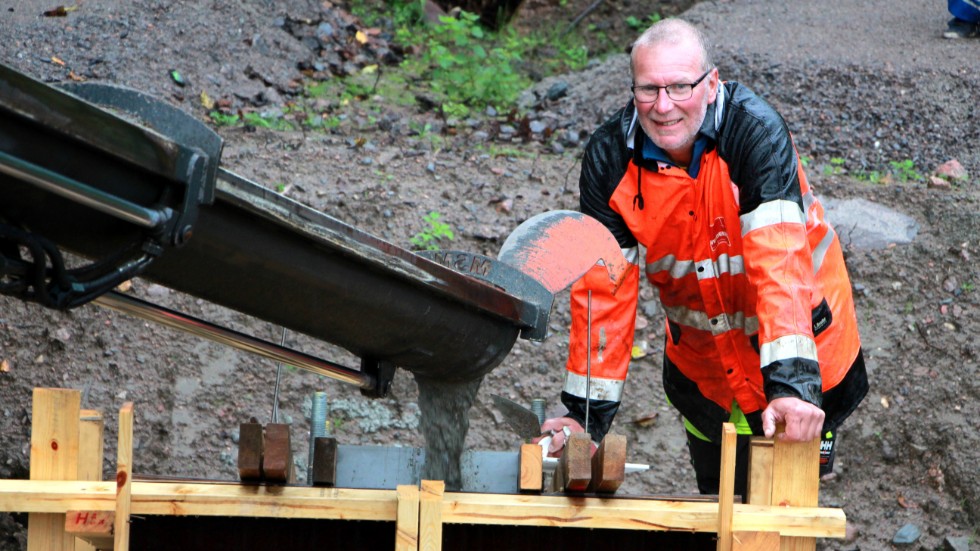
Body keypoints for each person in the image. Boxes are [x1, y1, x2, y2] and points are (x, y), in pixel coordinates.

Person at [538, 18, 869, 498]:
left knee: (783, 512)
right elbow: (602, 293)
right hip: (704, 373)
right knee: (718, 507)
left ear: (712, 84)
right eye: (649, 89)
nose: (664, 105)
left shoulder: (755, 135)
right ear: (633, 90)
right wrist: (583, 416)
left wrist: (794, 389)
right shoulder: (609, 158)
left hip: (798, 354)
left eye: (680, 86)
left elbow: (781, 267)